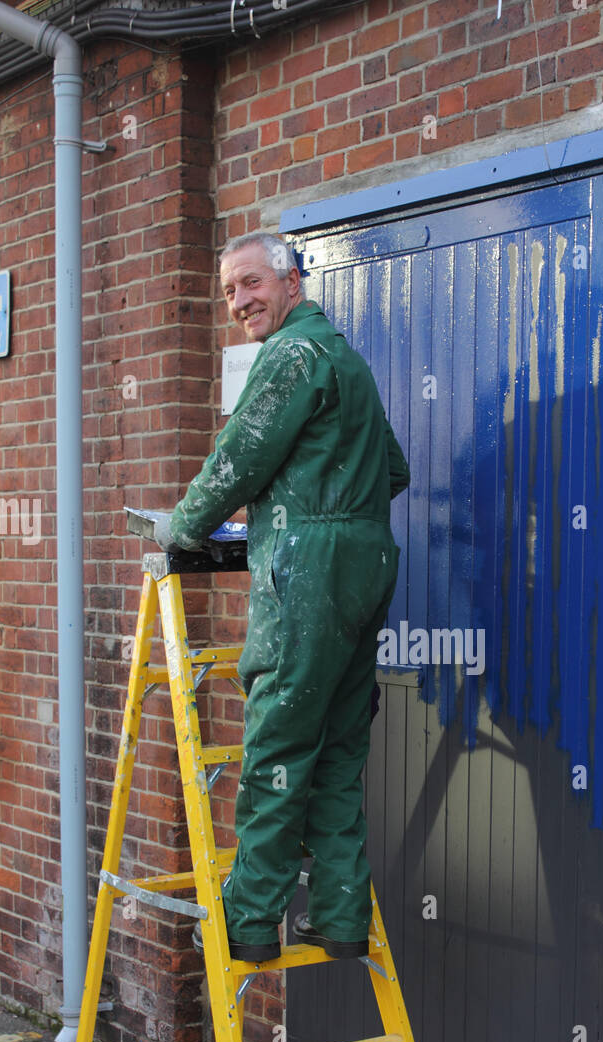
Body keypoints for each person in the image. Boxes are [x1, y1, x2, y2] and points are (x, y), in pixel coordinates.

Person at [154, 232, 410, 962]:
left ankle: (249, 920)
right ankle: (337, 915)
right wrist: (308, 493)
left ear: (293, 283)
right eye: (230, 291)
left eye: (251, 284)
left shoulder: (294, 354)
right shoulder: (344, 358)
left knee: (278, 742)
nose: (239, 302)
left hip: (313, 569)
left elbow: (238, 457)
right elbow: (392, 470)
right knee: (336, 747)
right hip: (367, 558)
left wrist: (181, 528)